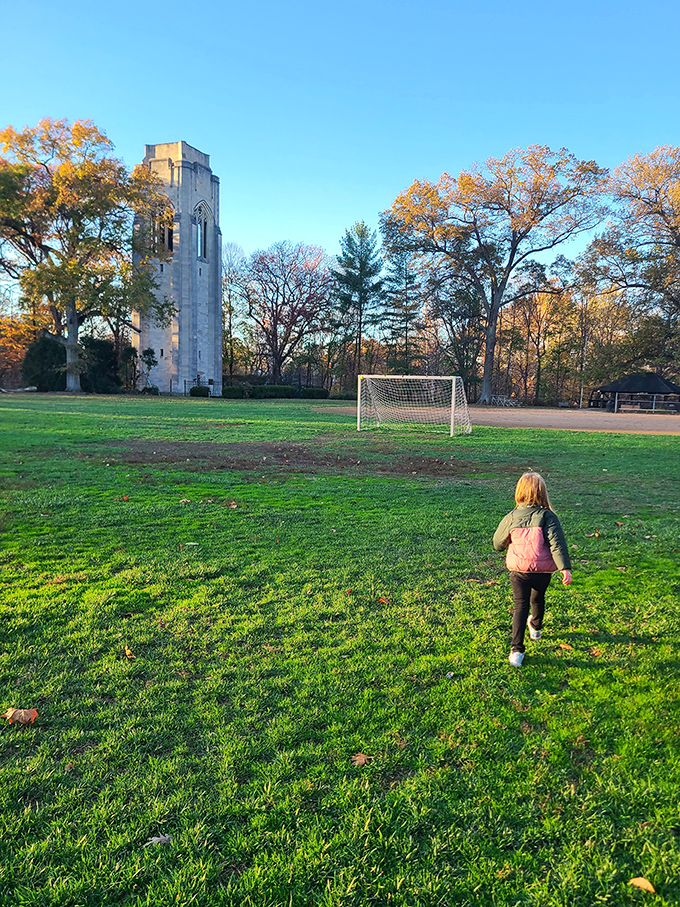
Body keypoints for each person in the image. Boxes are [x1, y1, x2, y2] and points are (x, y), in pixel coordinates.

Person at [493, 472, 572, 667]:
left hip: (519, 571)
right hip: (542, 570)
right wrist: (565, 568)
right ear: (542, 493)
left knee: (520, 606)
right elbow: (557, 544)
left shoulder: (511, 517)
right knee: (538, 598)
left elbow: (497, 543)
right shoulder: (548, 516)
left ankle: (516, 651)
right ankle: (536, 628)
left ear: (519, 492)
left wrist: (509, 541)